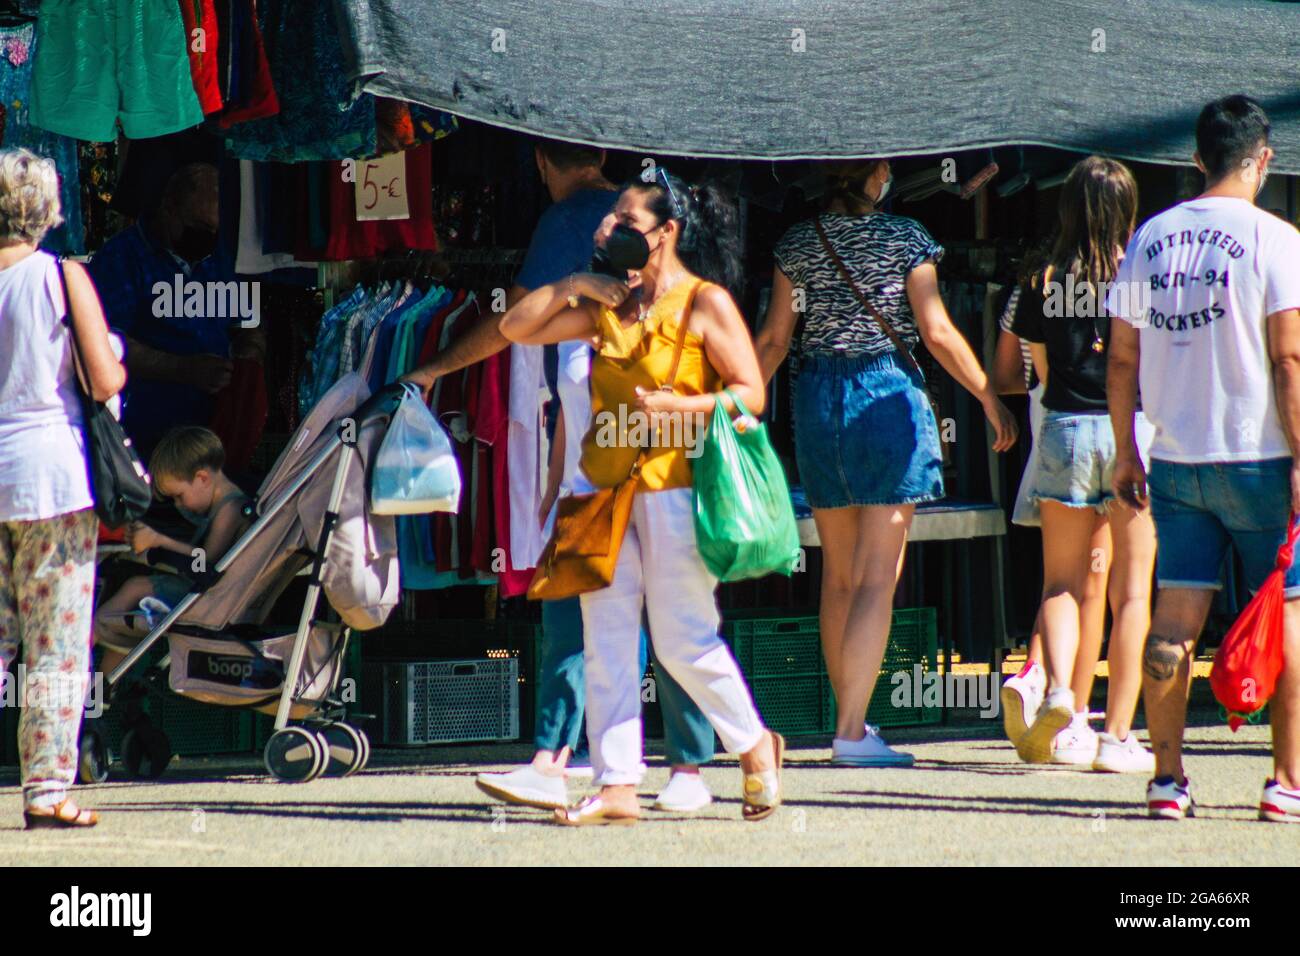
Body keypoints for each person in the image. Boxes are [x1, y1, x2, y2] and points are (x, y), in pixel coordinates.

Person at [403, 140, 718, 813]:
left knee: (596, 615)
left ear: (542, 162)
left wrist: (435, 368)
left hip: (617, 466)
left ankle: (569, 758)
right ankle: (675, 767)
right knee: (662, 619)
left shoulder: (570, 221)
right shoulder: (658, 227)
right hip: (646, 461)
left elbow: (511, 326)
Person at [500, 169, 783, 825]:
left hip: (673, 490)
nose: (609, 232)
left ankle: (753, 745)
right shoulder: (608, 305)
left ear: (666, 234)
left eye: (626, 224)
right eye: (609, 223)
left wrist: (686, 405)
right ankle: (617, 785)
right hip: (600, 490)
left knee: (683, 640)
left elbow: (751, 394)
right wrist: (572, 283)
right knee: (606, 639)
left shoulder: (704, 302)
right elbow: (516, 328)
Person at [753, 159, 1017, 766]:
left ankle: (847, 723)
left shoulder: (797, 242)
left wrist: (727, 408)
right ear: (875, 176)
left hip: (817, 400)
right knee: (878, 577)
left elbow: (773, 341)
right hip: (886, 400)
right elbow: (937, 331)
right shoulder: (906, 238)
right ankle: (851, 732)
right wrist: (986, 396)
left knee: (839, 577)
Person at [1108, 95, 1300, 820]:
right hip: (1261, 456)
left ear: (1196, 159)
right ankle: (1285, 783)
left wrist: (1127, 451)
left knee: (1174, 616)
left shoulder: (1149, 238)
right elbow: (1289, 358)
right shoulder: (1278, 239)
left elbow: (1121, 359)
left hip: (1176, 458)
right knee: (1285, 615)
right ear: (1262, 160)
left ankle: (1165, 780)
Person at [1009, 157, 1157, 772]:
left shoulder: (1041, 281)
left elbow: (1038, 374)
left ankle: (1064, 702)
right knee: (1130, 593)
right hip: (1132, 434)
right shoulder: (1142, 278)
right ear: (1126, 212)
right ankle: (1118, 735)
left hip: (1065, 430)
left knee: (1062, 584)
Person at [0, 148, 126, 828]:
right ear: (45, 212)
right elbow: (104, 381)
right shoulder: (61, 277)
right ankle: (47, 789)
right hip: (50, 480)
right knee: (54, 642)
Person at [994, 284, 1113, 759]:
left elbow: (1005, 375)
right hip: (1112, 427)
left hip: (1053, 433)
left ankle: (1036, 673)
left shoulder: (1033, 286)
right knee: (1095, 583)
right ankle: (1076, 714)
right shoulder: (1131, 272)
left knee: (1059, 579)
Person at [87, 163, 264, 462]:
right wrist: (183, 369)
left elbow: (250, 323)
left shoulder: (222, 255)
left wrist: (249, 353)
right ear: (168, 208)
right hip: (144, 433)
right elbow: (104, 343)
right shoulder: (120, 259)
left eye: (214, 230)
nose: (208, 237)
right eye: (198, 227)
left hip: (214, 431)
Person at [94, 427, 252, 675]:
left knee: (137, 587)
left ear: (202, 478)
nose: (179, 505)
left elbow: (204, 563)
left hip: (214, 602)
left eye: (179, 496)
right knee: (132, 586)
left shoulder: (230, 509)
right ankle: (103, 680)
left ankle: (95, 637)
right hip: (211, 595)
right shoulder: (224, 505)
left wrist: (160, 540)